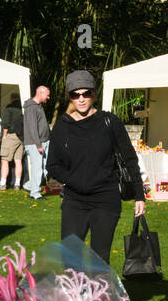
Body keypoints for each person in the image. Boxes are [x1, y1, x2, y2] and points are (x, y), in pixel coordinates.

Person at [46, 71, 144, 264]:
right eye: (76, 94)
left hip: (106, 200)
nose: (81, 99)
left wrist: (140, 195)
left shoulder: (110, 122)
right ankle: (75, 295)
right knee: (69, 259)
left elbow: (130, 159)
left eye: (86, 93)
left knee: (99, 260)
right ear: (70, 97)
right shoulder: (62, 126)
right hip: (74, 200)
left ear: (94, 94)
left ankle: (99, 295)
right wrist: (75, 180)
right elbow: (53, 165)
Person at [23, 85, 51, 199]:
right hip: (35, 143)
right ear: (40, 93)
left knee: (45, 169)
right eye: (47, 95)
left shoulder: (38, 106)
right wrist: (38, 145)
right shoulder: (31, 107)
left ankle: (29, 185)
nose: (48, 97)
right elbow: (32, 128)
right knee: (37, 169)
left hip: (44, 142)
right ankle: (35, 193)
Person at [0, 93, 24, 190]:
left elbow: (6, 122)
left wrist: (4, 135)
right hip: (22, 137)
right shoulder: (22, 108)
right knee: (18, 161)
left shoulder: (9, 107)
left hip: (11, 135)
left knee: (5, 160)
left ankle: (3, 183)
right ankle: (17, 184)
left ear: (11, 99)